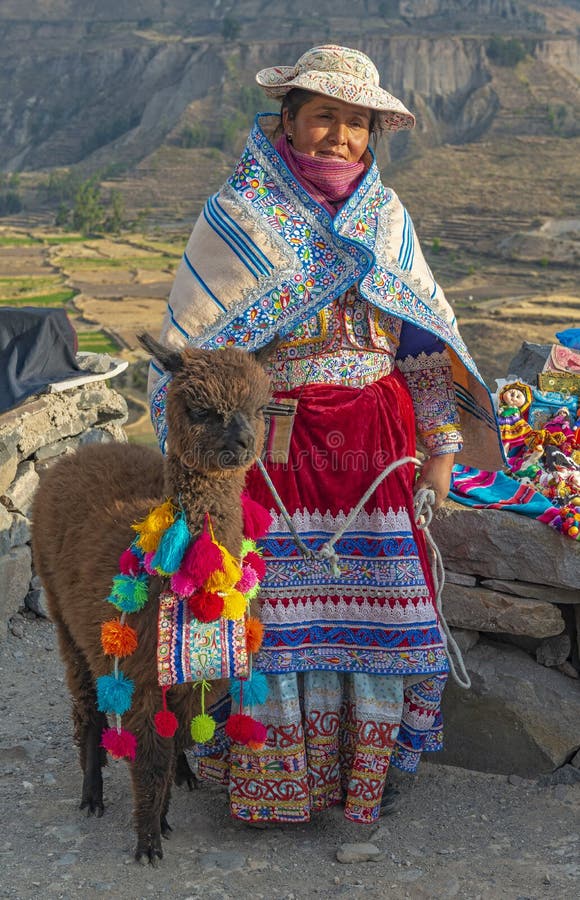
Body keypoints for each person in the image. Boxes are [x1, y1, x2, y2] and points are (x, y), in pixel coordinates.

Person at [148, 45, 504, 826]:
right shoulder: (237, 217)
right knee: (270, 607)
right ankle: (273, 780)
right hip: (275, 445)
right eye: (324, 117)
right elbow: (205, 342)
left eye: (356, 123)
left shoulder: (387, 216)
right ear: (289, 120)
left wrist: (441, 448)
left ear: (372, 134)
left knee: (382, 607)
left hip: (377, 446)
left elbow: (419, 345)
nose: (340, 135)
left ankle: (362, 778)